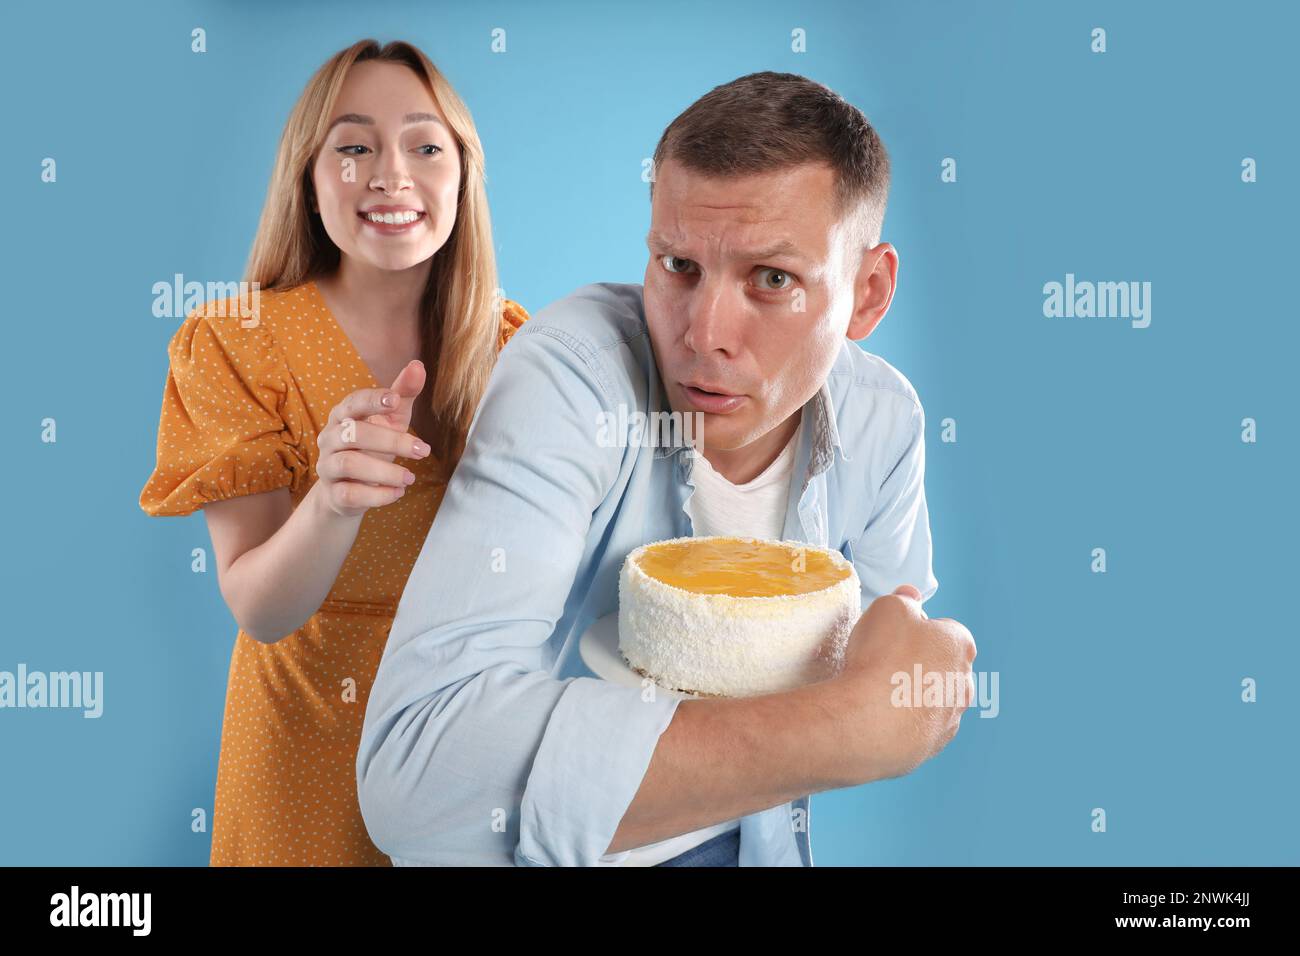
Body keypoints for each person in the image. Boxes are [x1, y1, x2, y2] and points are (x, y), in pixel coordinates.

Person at [356, 71, 975, 867]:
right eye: (679, 265)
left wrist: (883, 696)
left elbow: (895, 639)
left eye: (773, 280)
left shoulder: (886, 420)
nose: (704, 335)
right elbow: (415, 779)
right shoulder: (569, 375)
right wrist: (850, 731)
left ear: (868, 292)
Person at [138, 39, 529, 865]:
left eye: (426, 146)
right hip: (300, 744)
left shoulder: (514, 346)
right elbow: (258, 606)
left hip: (466, 740)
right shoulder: (232, 341)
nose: (391, 174)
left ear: (462, 175)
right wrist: (333, 501)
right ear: (310, 182)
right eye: (353, 147)